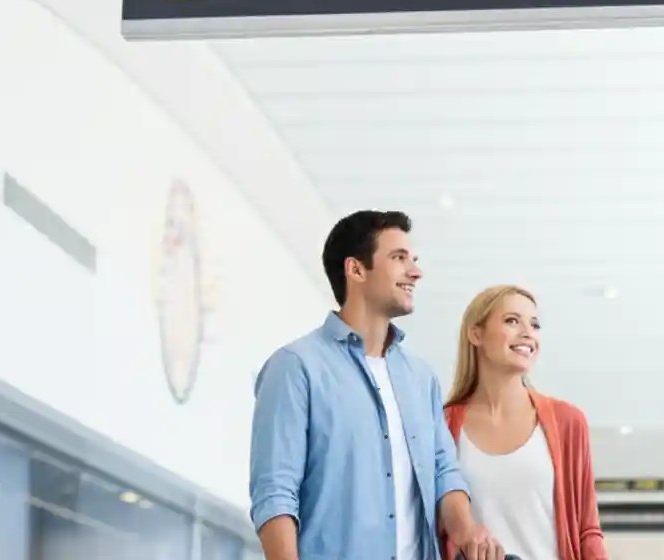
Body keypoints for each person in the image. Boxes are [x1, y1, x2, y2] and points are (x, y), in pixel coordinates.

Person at [248, 210, 504, 560]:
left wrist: (468, 531)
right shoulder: (295, 368)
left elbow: (444, 471)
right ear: (356, 269)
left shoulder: (420, 378)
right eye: (399, 258)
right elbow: (275, 493)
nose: (416, 271)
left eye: (413, 260)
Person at [441, 285, 609, 560]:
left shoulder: (568, 421)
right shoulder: (443, 425)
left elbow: (587, 530)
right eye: (511, 321)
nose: (528, 333)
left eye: (535, 324)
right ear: (476, 334)